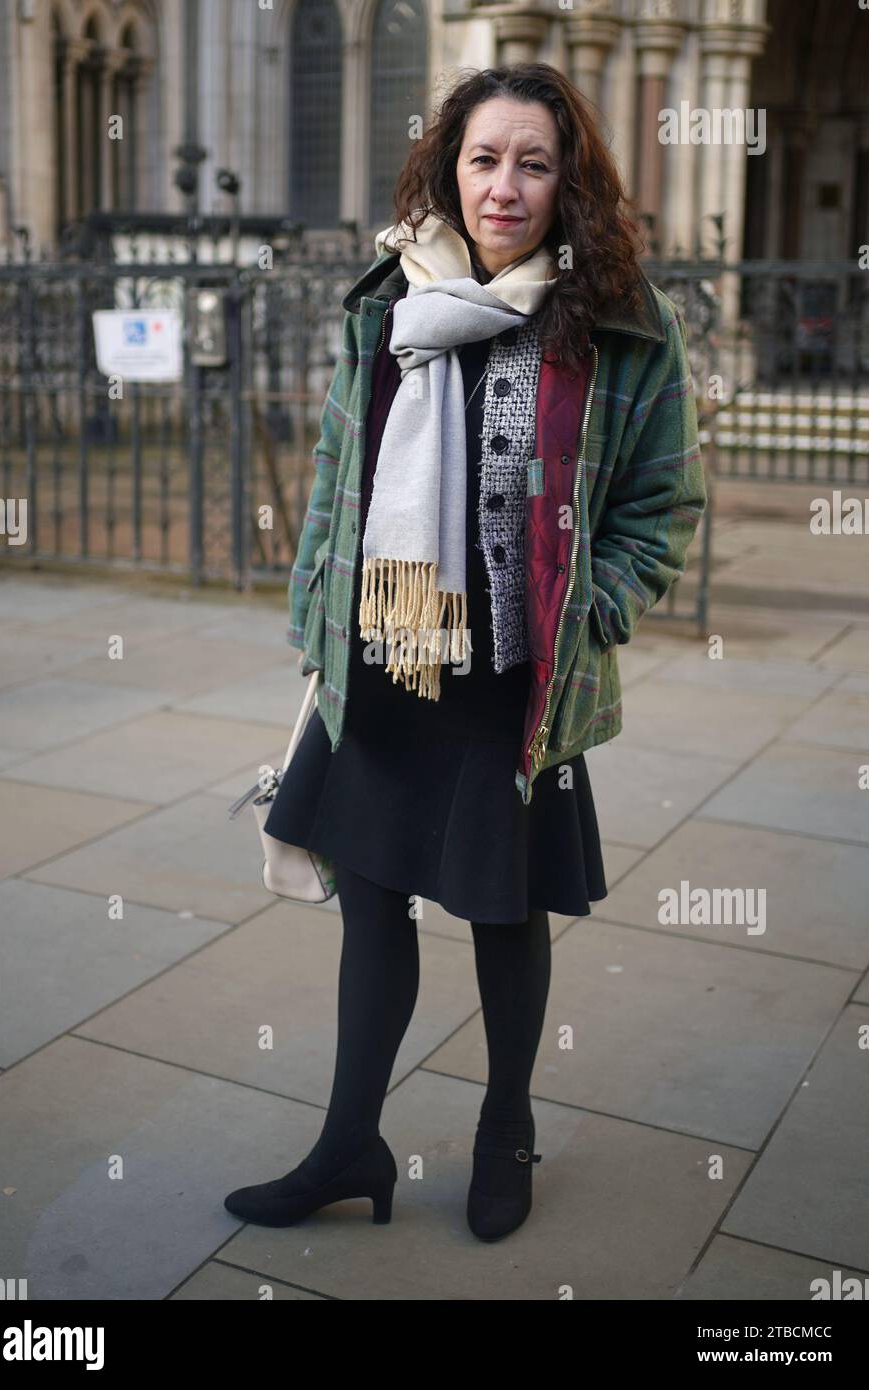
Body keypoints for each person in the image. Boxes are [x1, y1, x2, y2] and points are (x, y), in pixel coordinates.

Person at [224, 62, 706, 1242]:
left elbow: (662, 503)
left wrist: (590, 604)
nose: (503, 186)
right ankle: (349, 1141)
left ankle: (505, 1128)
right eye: (484, 158)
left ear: (564, 180)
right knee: (371, 902)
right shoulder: (389, 300)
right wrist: (314, 631)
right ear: (449, 165)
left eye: (532, 162)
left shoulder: (620, 322)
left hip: (514, 673)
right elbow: (340, 479)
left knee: (502, 908)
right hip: (390, 650)